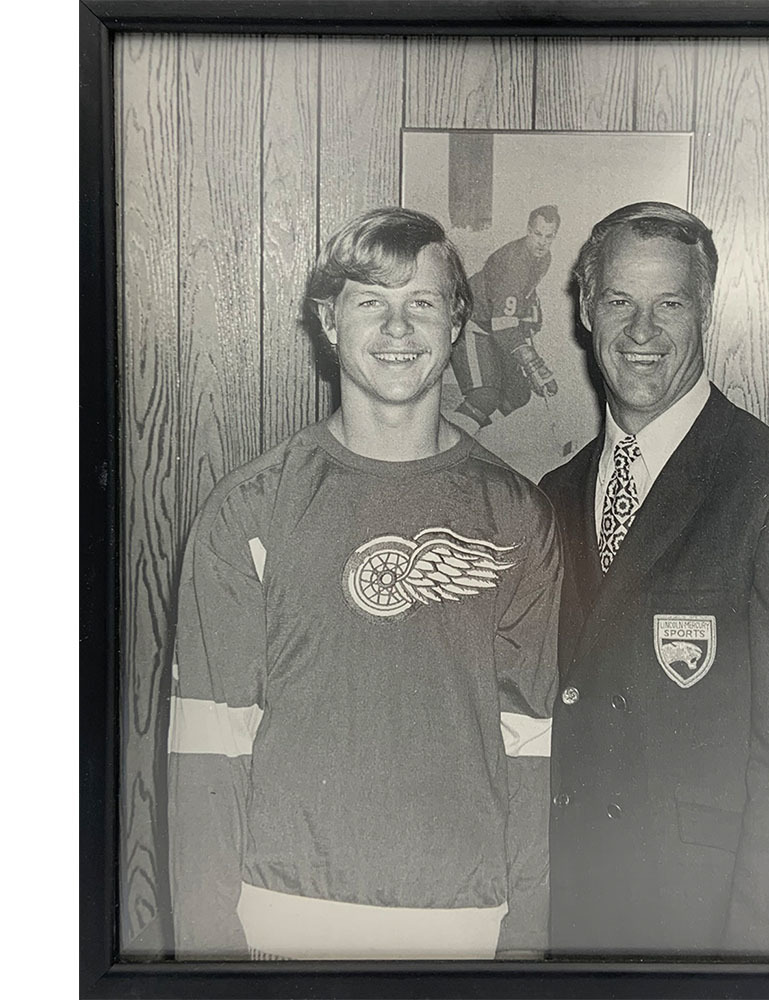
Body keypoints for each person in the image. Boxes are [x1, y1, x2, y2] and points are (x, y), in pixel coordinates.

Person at [168, 207, 561, 961]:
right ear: (327, 319)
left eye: (422, 303)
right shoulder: (251, 509)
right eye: (370, 301)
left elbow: (533, 747)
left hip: (464, 918)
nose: (397, 328)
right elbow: (206, 753)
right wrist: (210, 958)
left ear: (456, 324)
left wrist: (525, 941)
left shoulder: (517, 516)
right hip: (284, 916)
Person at [538, 202, 769, 958]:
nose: (642, 331)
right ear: (587, 311)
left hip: (719, 942)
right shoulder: (553, 496)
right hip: (580, 933)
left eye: (670, 303)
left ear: (706, 311)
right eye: (619, 300)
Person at [450, 205, 561, 432]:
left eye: (548, 237)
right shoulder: (515, 262)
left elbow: (520, 294)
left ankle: (468, 433)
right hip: (470, 321)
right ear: (528, 230)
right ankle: (448, 446)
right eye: (537, 234)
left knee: (518, 393)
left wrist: (531, 310)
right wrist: (532, 364)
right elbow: (502, 324)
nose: (542, 242)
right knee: (485, 395)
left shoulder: (542, 258)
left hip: (493, 326)